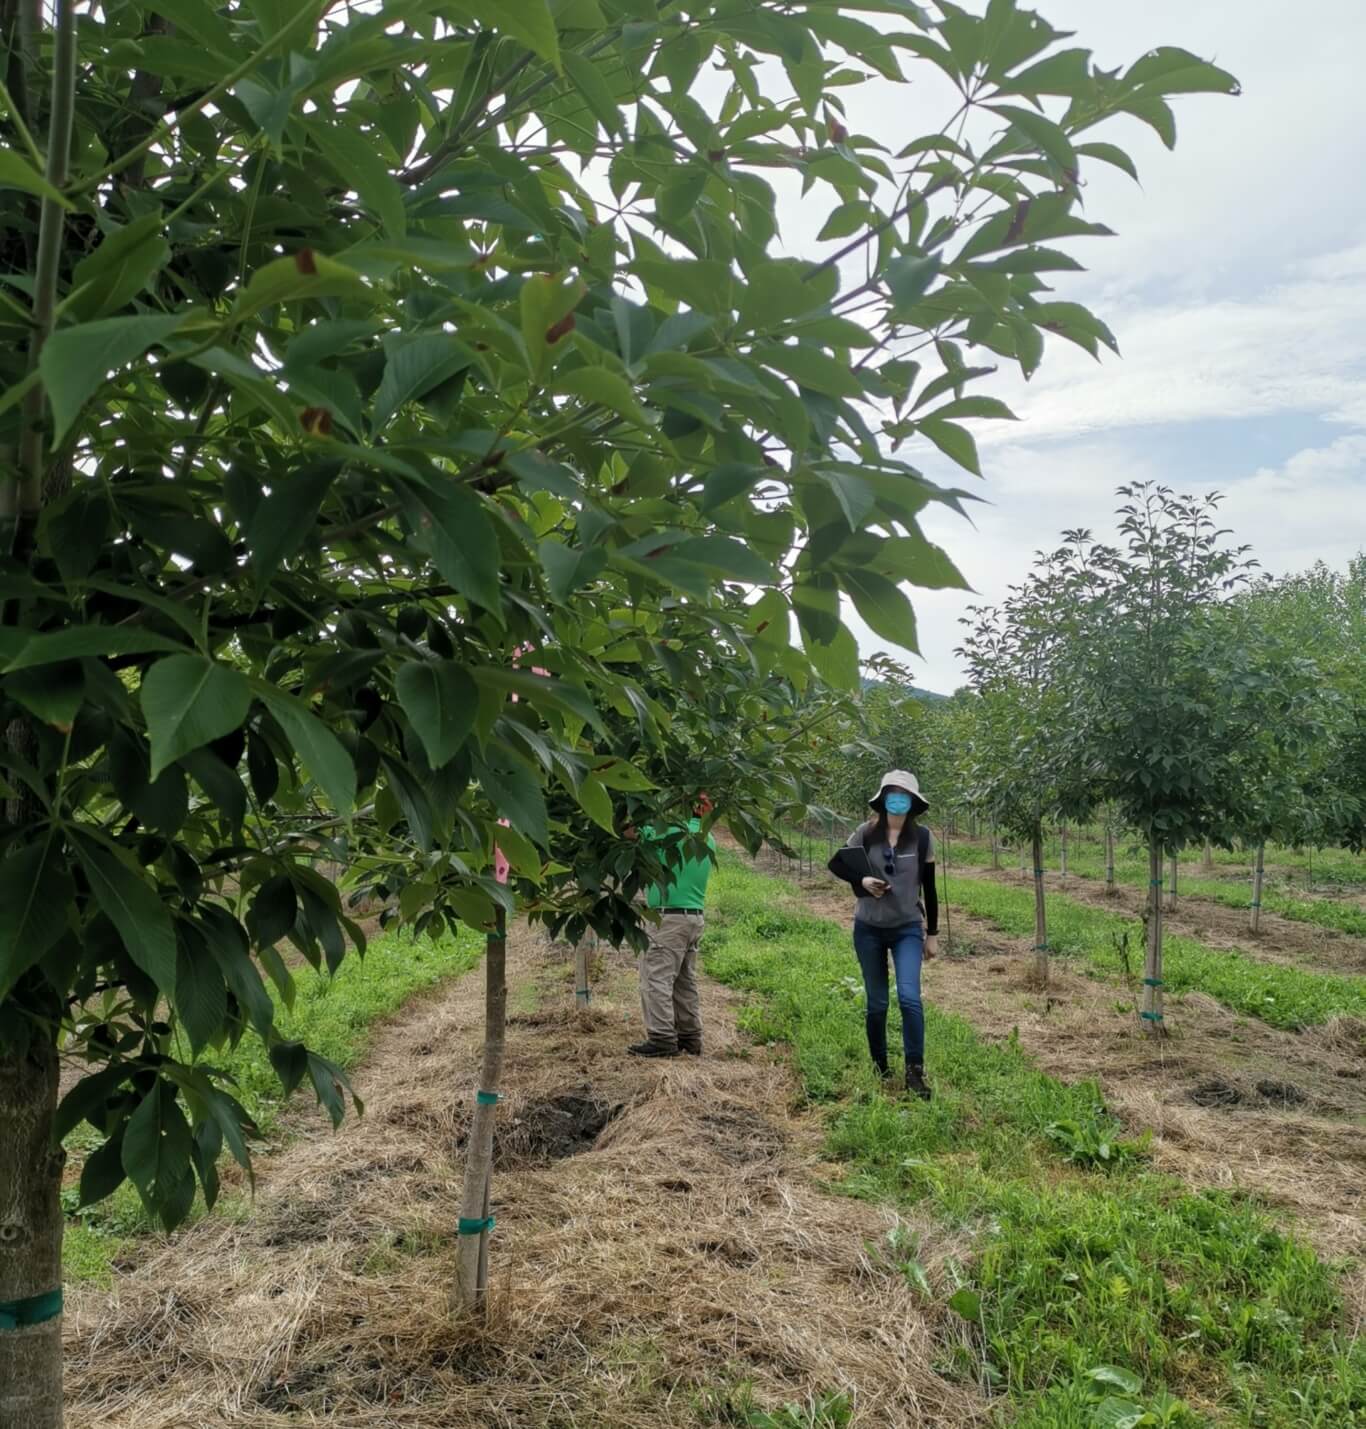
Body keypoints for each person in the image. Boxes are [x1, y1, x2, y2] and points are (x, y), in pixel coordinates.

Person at [831, 771, 938, 1099]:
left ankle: (914, 1072)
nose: (897, 801)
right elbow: (837, 863)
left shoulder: (922, 838)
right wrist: (862, 881)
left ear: (912, 803)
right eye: (892, 795)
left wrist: (932, 934)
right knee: (877, 1003)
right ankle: (880, 1065)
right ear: (883, 799)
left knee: (909, 997)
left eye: (904, 796)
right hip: (868, 930)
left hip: (907, 928)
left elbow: (930, 889)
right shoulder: (866, 833)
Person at [626, 794, 717, 1059]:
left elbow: (627, 831)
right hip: (694, 918)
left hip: (668, 919)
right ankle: (690, 1037)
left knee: (656, 978)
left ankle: (662, 1038)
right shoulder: (706, 840)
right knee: (684, 981)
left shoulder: (663, 836)